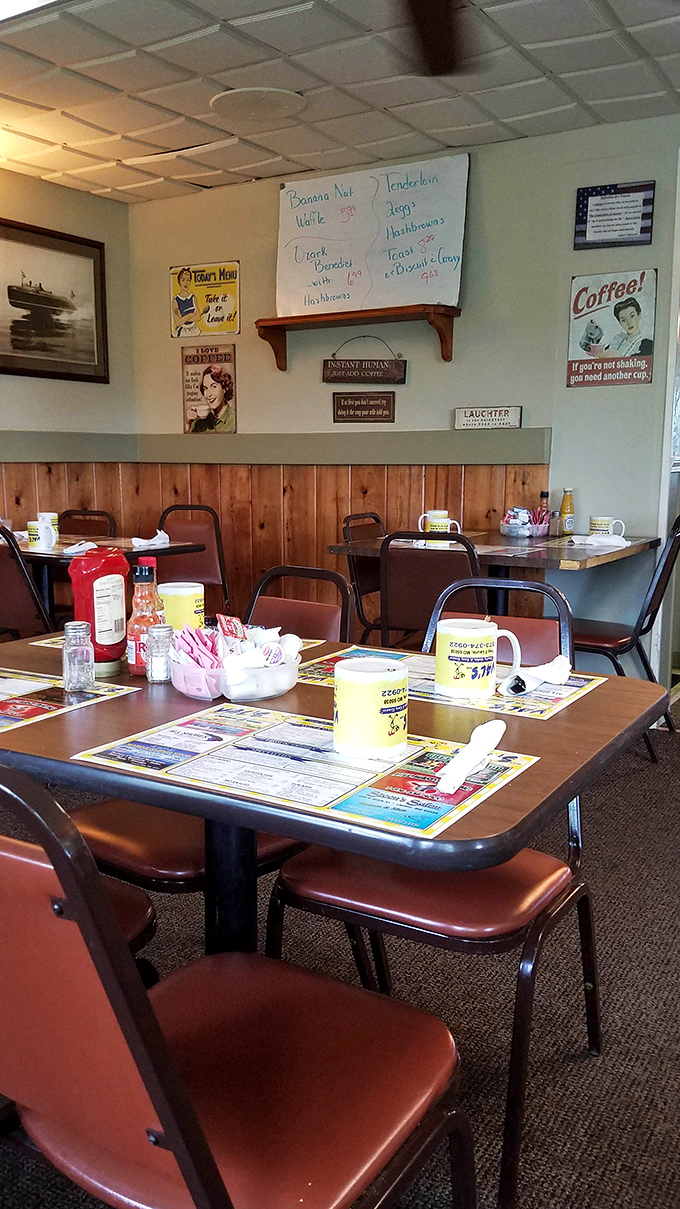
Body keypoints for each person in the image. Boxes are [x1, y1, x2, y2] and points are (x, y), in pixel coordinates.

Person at [185, 364, 236, 433]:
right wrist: (188, 424)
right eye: (205, 388)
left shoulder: (234, 420)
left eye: (213, 387)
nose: (208, 394)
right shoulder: (198, 424)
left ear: (224, 388)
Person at [172, 268, 209, 337]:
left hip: (194, 329)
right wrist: (191, 314)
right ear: (179, 281)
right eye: (183, 280)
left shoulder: (193, 297)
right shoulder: (175, 300)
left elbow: (198, 317)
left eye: (188, 280)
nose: (186, 283)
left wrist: (183, 318)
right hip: (183, 331)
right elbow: (178, 322)